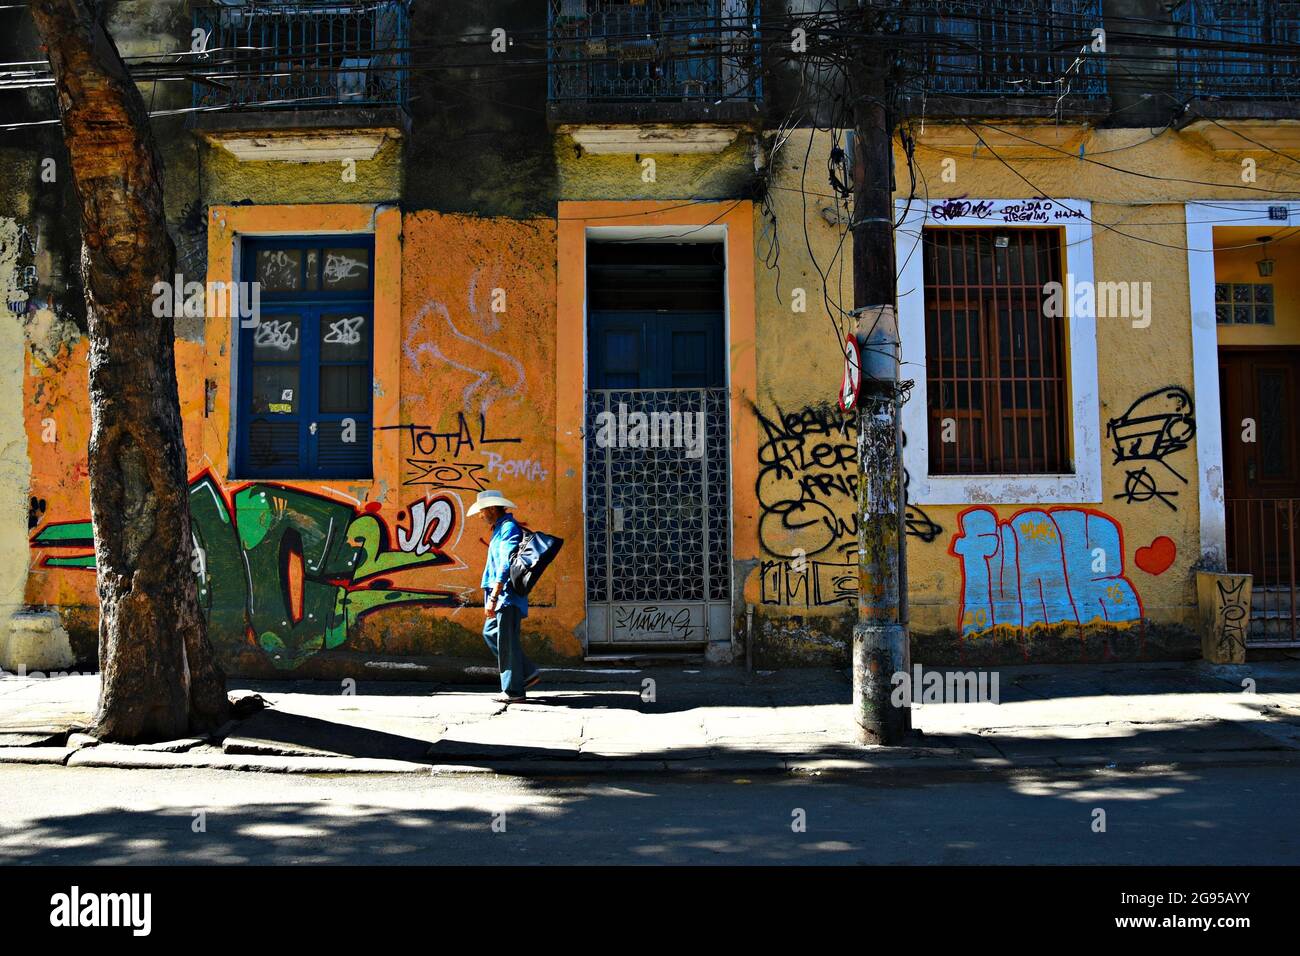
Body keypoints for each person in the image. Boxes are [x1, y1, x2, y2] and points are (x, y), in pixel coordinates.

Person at [466, 490, 541, 703]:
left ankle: (513, 691)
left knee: (506, 641)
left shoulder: (508, 529)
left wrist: (494, 596)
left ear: (491, 509)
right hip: (501, 595)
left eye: (482, 511)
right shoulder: (500, 529)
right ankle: (526, 673)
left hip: (506, 596)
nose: (480, 516)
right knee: (492, 633)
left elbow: (505, 565)